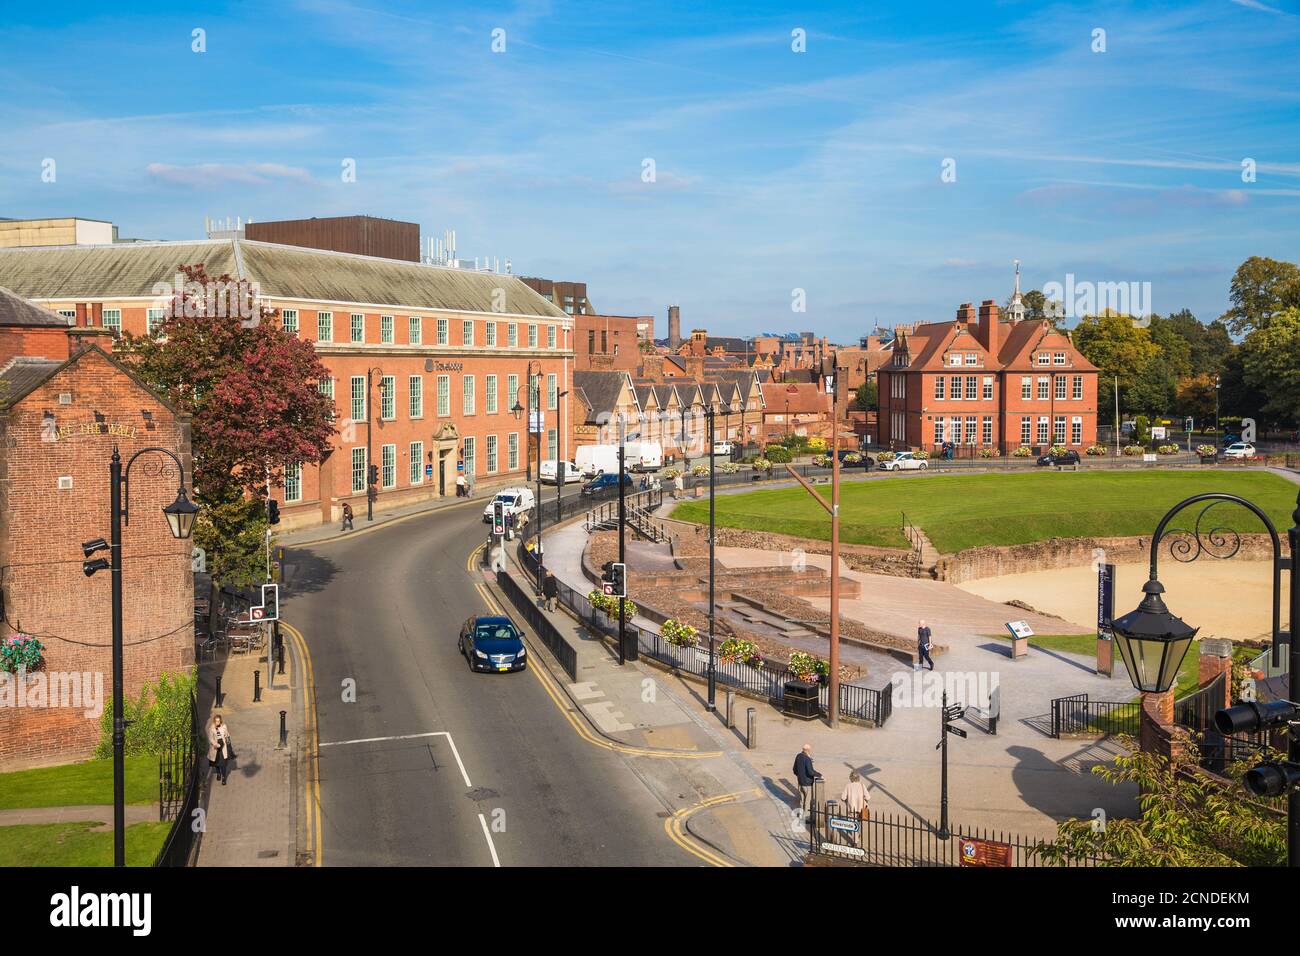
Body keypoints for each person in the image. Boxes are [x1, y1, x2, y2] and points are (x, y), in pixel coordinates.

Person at [793, 743, 822, 822]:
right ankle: (806, 818)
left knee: (802, 800)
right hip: (807, 783)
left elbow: (794, 770)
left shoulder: (798, 756)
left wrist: (800, 776)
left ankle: (801, 814)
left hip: (800, 782)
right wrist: (819, 775)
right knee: (808, 800)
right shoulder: (807, 759)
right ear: (808, 750)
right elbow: (810, 772)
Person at [841, 770, 870, 845]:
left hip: (851, 808)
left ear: (851, 777)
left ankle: (855, 840)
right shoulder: (862, 785)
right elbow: (868, 797)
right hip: (860, 809)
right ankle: (857, 836)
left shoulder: (848, 786)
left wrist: (847, 802)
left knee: (853, 824)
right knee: (858, 823)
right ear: (858, 777)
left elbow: (843, 797)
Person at [207, 714, 235, 786]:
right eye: (216, 721)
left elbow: (227, 735)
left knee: (223, 764)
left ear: (220, 721)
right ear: (214, 721)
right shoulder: (211, 728)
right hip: (215, 748)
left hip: (223, 747)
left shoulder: (224, 726)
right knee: (216, 763)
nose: (217, 722)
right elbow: (210, 738)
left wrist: (227, 735)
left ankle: (223, 778)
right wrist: (215, 744)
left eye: (219, 721)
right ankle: (218, 773)